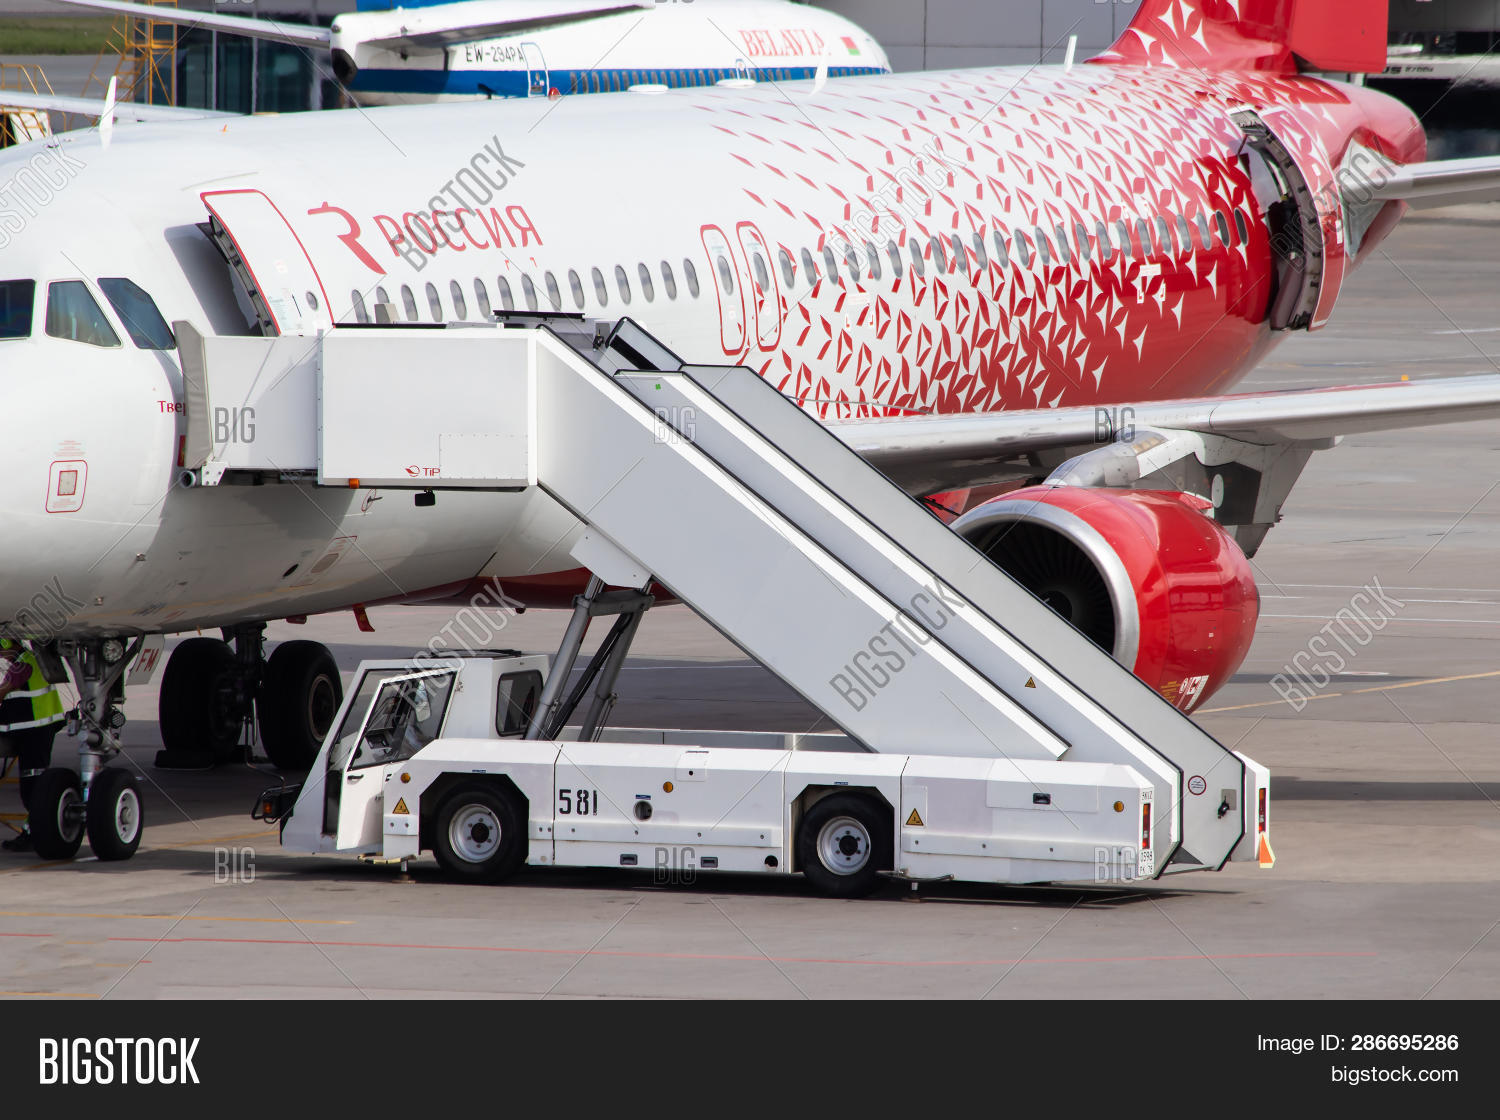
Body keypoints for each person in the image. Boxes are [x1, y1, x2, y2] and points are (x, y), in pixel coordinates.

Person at [0, 639, 65, 852]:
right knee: (34, 786)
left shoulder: (24, 663)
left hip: (36, 731)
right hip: (33, 730)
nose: (1, 655)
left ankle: (35, 832)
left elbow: (6, 688)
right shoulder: (27, 660)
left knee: (33, 789)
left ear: (11, 646)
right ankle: (32, 831)